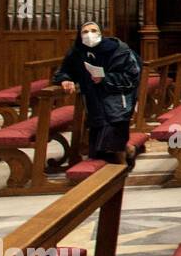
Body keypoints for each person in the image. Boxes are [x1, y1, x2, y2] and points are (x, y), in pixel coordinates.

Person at [54, 21, 142, 166]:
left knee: (113, 144)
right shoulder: (77, 52)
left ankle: (121, 169)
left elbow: (132, 77)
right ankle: (129, 150)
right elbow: (63, 71)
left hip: (117, 101)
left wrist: (105, 78)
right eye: (85, 31)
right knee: (99, 151)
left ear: (100, 33)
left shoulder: (118, 50)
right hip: (94, 102)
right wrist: (65, 80)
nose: (89, 34)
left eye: (93, 30)